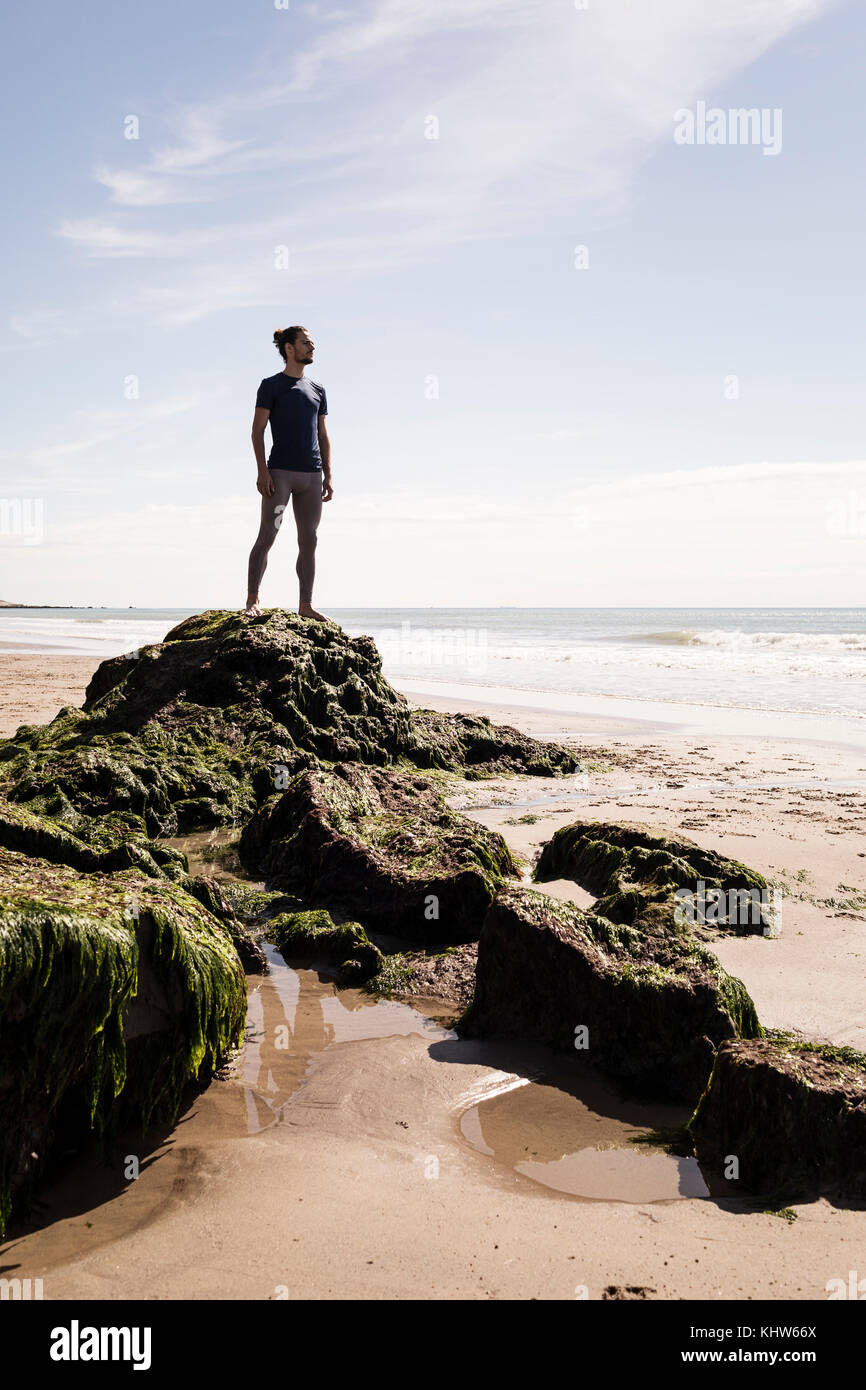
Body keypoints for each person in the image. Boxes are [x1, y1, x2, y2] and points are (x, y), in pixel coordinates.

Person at [245, 325, 333, 619]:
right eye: (306, 343)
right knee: (268, 533)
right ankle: (252, 601)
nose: (312, 347)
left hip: (311, 475)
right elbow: (257, 432)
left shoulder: (318, 390)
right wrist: (262, 471)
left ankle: (305, 605)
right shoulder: (271, 385)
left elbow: (322, 434)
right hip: (280, 473)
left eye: (312, 343)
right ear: (289, 348)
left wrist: (329, 474)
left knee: (310, 539)